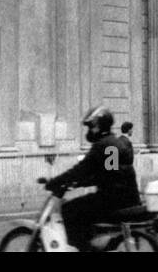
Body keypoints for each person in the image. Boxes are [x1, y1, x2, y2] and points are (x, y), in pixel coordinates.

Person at [44, 107, 142, 252]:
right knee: (85, 210)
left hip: (113, 200)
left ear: (97, 126)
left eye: (90, 126)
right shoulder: (112, 142)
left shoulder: (103, 145)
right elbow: (109, 173)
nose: (89, 131)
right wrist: (81, 182)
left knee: (68, 210)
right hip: (126, 197)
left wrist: (55, 181)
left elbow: (80, 169)